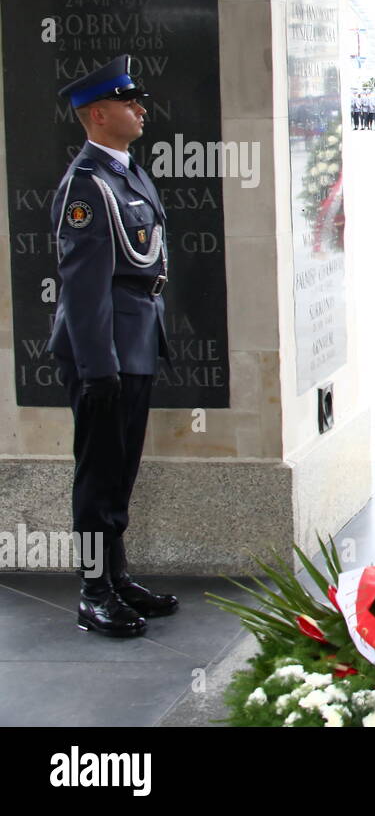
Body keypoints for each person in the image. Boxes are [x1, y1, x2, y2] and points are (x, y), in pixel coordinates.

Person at [48, 55, 178, 637]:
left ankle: (117, 578)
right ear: (98, 115)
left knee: (119, 473)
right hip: (104, 353)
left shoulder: (128, 172)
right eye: (129, 103)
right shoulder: (87, 184)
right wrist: (99, 367)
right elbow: (83, 286)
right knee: (98, 479)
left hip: (135, 340)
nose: (141, 109)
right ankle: (93, 591)